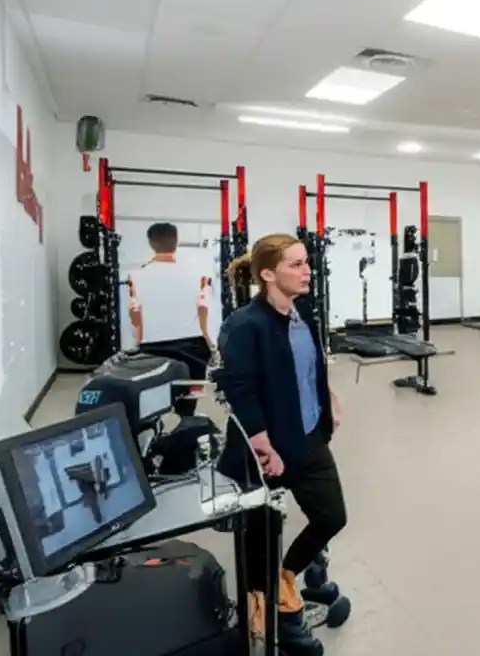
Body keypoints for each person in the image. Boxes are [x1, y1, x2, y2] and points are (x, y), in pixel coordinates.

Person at [213, 234, 347, 652]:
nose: (307, 270)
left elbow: (311, 368)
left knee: (331, 517)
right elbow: (238, 387)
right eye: (296, 264)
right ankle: (262, 606)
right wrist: (261, 443)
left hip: (307, 435)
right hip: (265, 448)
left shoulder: (301, 314)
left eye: (306, 262)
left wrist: (331, 399)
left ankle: (285, 579)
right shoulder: (245, 324)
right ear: (268, 274)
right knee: (262, 533)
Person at [127, 222, 214, 418]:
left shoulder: (136, 276)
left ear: (151, 243)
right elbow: (203, 308)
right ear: (177, 241)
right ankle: (186, 426)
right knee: (188, 400)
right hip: (193, 346)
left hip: (153, 346)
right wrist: (209, 341)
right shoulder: (198, 275)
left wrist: (138, 342)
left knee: (156, 399)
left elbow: (135, 313)